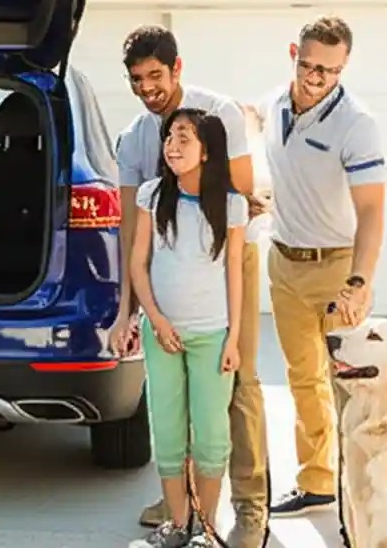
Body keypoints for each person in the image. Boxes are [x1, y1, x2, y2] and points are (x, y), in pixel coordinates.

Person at [108, 26, 270, 548]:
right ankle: (181, 508)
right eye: (137, 79)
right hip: (164, 262)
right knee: (171, 411)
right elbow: (133, 230)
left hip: (224, 252)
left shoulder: (215, 111)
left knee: (237, 388)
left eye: (155, 75)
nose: (147, 87)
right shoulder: (135, 137)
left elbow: (240, 191)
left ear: (177, 69)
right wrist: (128, 310)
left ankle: (246, 506)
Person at [256, 15, 386, 543]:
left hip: (336, 267)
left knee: (350, 387)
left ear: (344, 67)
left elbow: (373, 210)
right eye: (308, 65)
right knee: (303, 379)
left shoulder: (357, 123)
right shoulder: (273, 105)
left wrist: (360, 281)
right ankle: (316, 482)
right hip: (283, 263)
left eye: (328, 71)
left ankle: (361, 496)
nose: (315, 77)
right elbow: (250, 133)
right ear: (294, 53)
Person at [126, 108, 247, 548]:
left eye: (184, 138)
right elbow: (138, 264)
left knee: (212, 437)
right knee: (170, 433)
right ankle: (177, 525)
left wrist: (233, 339)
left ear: (207, 151)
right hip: (163, 336)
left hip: (212, 336)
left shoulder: (231, 205)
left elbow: (235, 272)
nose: (172, 146)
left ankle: (207, 530)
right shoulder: (152, 195)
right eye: (169, 138)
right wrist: (155, 320)